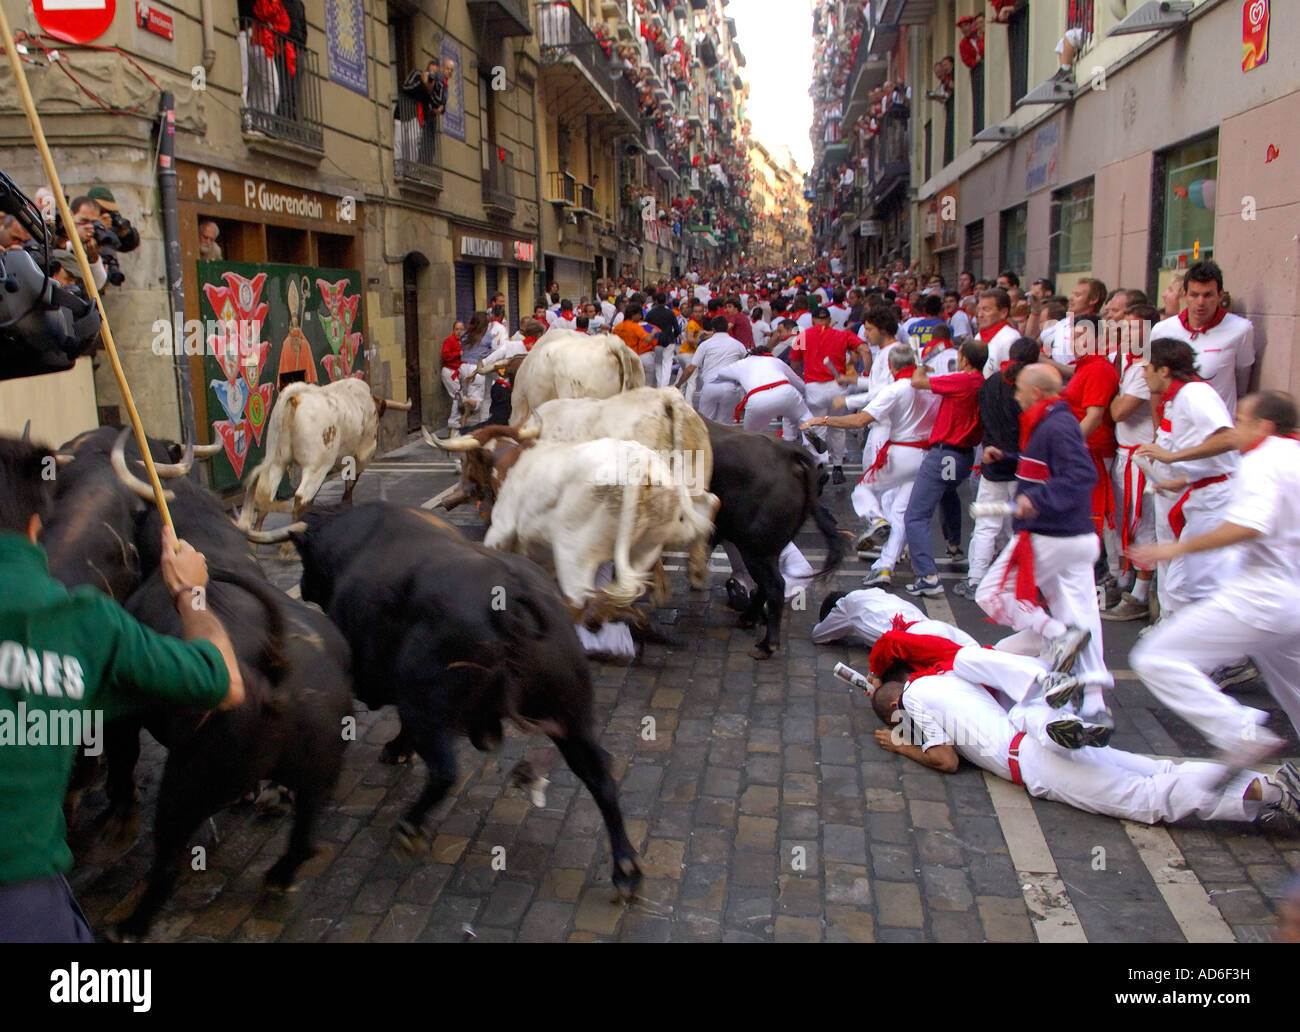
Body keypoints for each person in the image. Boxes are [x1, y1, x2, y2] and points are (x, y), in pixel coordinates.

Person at [0, 437, 244, 942]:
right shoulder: (85, 622)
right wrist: (190, 594)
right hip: (23, 908)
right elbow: (223, 681)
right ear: (36, 526)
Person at [865, 650, 1298, 828]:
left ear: (896, 710)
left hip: (1032, 766)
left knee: (1150, 798)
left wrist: (903, 744)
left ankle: (1269, 791)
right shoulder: (946, 678)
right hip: (1025, 732)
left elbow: (946, 760)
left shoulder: (914, 702)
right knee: (1163, 769)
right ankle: (1057, 720)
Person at [1130, 391, 1300, 773]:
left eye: (1241, 420)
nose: (1234, 428)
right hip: (1290, 599)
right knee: (1294, 686)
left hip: (1260, 596)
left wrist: (1176, 549)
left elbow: (1249, 525)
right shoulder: (1291, 455)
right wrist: (1182, 482)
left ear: (1265, 427)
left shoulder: (1262, 460)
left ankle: (1241, 733)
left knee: (1156, 657)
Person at [973, 363, 1111, 748]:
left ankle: (1056, 638)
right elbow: (1049, 470)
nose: (1015, 397)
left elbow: (1080, 473)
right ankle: (1094, 704)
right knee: (1082, 613)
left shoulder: (1054, 424)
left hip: (1051, 535)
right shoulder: (1055, 422)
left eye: (1018, 390)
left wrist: (1036, 498)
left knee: (992, 593)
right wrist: (1010, 461)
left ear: (1034, 392)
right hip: (1075, 535)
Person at [808, 346, 937, 588]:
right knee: (901, 513)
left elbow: (859, 419)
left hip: (901, 452)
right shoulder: (932, 387)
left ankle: (877, 521)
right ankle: (884, 566)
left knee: (864, 491)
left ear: (891, 367)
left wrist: (823, 420)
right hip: (926, 456)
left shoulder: (896, 389)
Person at [1134, 338, 1239, 621]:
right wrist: (1177, 481)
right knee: (1185, 581)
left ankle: (1219, 655)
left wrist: (1171, 457)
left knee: (1187, 582)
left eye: (1147, 368)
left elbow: (1229, 438)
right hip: (1205, 497)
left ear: (1164, 370)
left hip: (1217, 500)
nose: (1143, 374)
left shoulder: (1194, 394)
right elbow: (1212, 460)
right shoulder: (1182, 397)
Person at [954, 337, 1041, 599]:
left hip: (993, 464)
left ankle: (976, 579)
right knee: (1021, 526)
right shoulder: (1031, 388)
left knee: (987, 525)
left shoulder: (990, 383)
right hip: (1024, 466)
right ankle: (1016, 580)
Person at [902, 337, 987, 596]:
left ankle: (928, 576)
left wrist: (920, 365)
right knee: (948, 493)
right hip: (964, 456)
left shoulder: (962, 380)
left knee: (915, 516)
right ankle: (954, 547)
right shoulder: (980, 382)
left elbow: (917, 383)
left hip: (945, 453)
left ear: (964, 359)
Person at [1102, 304, 1160, 621]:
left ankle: (1140, 594)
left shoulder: (1144, 367)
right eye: (1124, 330)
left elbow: (1118, 412)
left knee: (1142, 526)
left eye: (1133, 330)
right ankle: (1130, 583)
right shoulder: (1128, 362)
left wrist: (1103, 393)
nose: (1126, 336)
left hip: (1141, 456)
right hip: (1127, 453)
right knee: (1126, 523)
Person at [1060, 314, 1122, 586]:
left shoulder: (1098, 368)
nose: (1076, 341)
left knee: (1100, 518)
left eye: (1082, 335)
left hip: (1092, 452)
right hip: (1084, 450)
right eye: (1074, 335)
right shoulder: (1085, 366)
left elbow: (1094, 416)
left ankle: (1113, 575)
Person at [1151, 260, 1254, 414]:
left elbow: (1243, 379)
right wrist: (1157, 430)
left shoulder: (1241, 329)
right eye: (1194, 295)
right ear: (1184, 295)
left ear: (1220, 295)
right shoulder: (1162, 329)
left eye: (1208, 295)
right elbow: (1154, 385)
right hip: (1172, 429)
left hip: (1217, 430)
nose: (1200, 302)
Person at [713, 350, 823, 457]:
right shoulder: (775, 361)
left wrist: (737, 378)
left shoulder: (742, 363)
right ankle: (816, 453)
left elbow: (720, 373)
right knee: (803, 417)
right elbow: (799, 385)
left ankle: (754, 461)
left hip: (758, 398)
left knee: (751, 436)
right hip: (785, 390)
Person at [799, 306, 861, 484]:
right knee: (837, 427)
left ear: (813, 320)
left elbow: (795, 360)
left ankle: (819, 465)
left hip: (813, 387)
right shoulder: (842, 334)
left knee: (816, 427)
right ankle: (838, 467)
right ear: (828, 320)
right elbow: (862, 348)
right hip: (836, 386)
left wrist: (799, 377)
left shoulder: (802, 335)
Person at [677, 315, 746, 421]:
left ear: (713, 329)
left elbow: (690, 368)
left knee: (705, 424)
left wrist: (678, 384)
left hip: (710, 386)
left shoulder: (705, 345)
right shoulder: (738, 345)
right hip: (730, 388)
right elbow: (746, 366)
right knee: (725, 426)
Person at [975, 289, 1019, 377]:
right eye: (979, 310)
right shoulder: (978, 336)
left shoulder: (1011, 338)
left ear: (1003, 312)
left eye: (986, 309)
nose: (980, 315)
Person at [645, 292, 681, 388]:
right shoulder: (670, 313)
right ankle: (664, 385)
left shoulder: (650, 313)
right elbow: (677, 329)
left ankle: (659, 384)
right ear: (665, 301)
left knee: (658, 364)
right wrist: (673, 336)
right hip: (669, 341)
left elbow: (646, 327)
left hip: (655, 341)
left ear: (655, 301)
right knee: (667, 363)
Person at [440, 319, 467, 430]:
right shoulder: (449, 341)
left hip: (457, 373)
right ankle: (453, 420)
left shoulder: (463, 342)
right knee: (457, 396)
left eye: (461, 329)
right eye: (457, 329)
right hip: (450, 372)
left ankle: (456, 419)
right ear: (453, 330)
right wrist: (458, 354)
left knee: (459, 395)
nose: (459, 331)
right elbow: (445, 356)